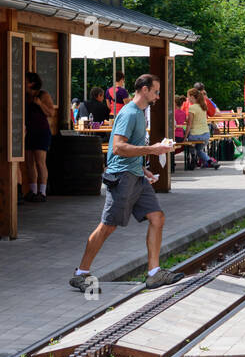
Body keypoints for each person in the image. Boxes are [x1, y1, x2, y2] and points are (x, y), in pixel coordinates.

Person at [70, 73, 179, 293]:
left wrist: (144, 169)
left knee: (157, 217)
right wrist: (153, 149)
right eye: (156, 91)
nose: (158, 96)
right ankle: (81, 273)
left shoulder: (139, 113)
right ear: (145, 89)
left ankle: (154, 273)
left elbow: (126, 149)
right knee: (107, 226)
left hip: (136, 176)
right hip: (121, 179)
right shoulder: (129, 113)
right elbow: (118, 147)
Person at [24, 71, 56, 202]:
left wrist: (39, 104)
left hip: (41, 131)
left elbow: (51, 113)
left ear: (32, 83)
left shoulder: (43, 95)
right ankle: (33, 190)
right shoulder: (24, 96)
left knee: (40, 162)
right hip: (28, 131)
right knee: (29, 162)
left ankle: (42, 192)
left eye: (25, 80)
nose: (23, 83)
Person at [185, 88, 220, 169]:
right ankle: (211, 161)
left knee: (189, 143)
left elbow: (189, 125)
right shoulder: (203, 107)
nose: (188, 99)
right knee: (199, 150)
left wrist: (185, 137)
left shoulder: (192, 108)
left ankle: (192, 157)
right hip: (206, 135)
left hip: (195, 135)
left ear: (192, 97)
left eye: (188, 97)